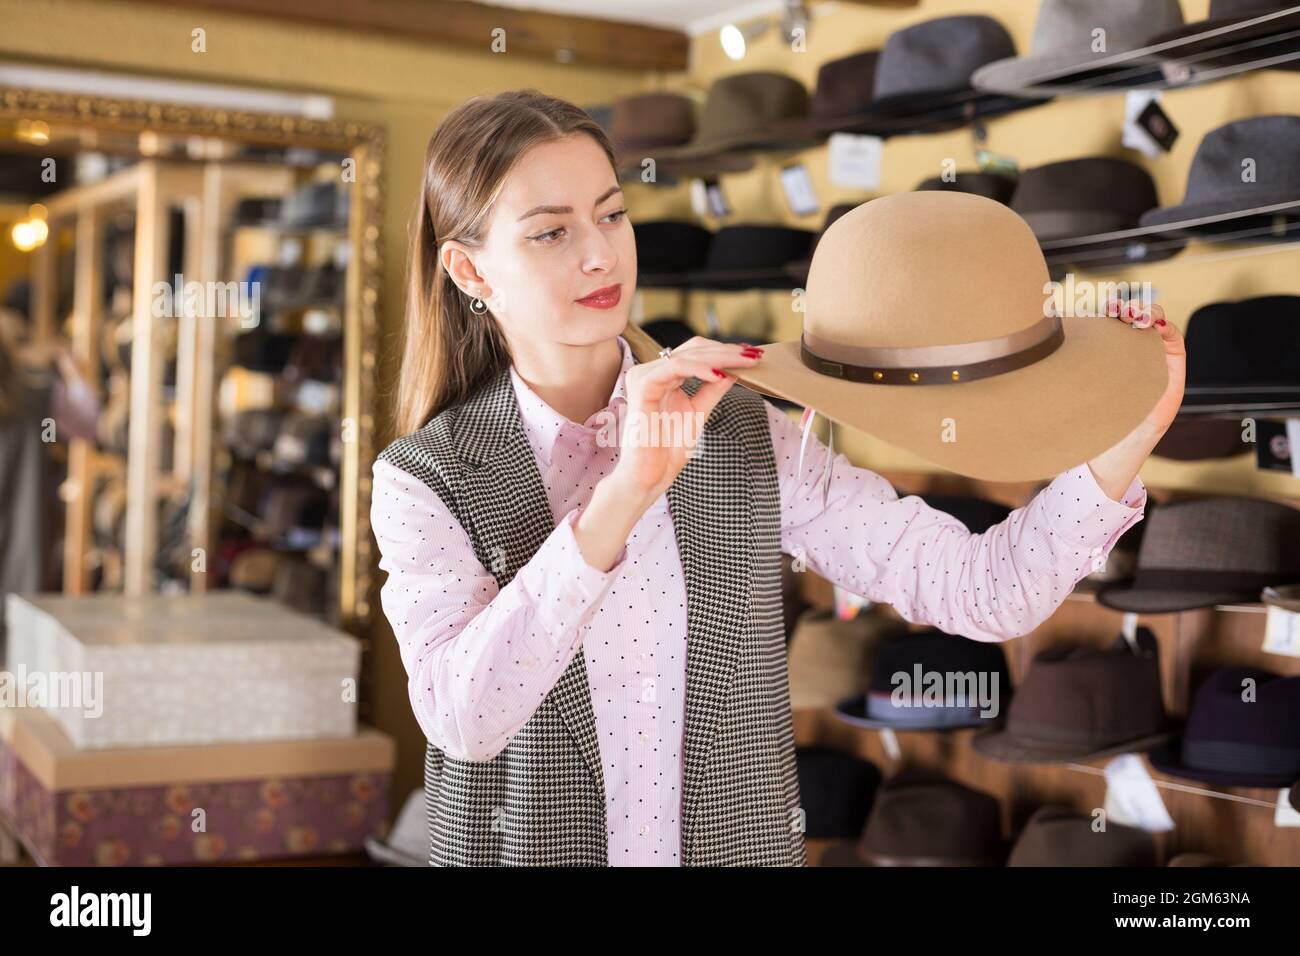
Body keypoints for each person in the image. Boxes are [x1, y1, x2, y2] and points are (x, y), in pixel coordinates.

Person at [370, 89, 1187, 867]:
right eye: (550, 232)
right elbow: (463, 718)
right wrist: (625, 492)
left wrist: (1125, 439)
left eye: (612, 213)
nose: (599, 252)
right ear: (471, 273)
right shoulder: (423, 481)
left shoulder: (742, 431)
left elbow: (983, 589)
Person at [0, 308, 101, 654]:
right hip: (26, 544)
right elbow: (88, 422)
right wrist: (69, 366)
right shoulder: (38, 398)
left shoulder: (37, 398)